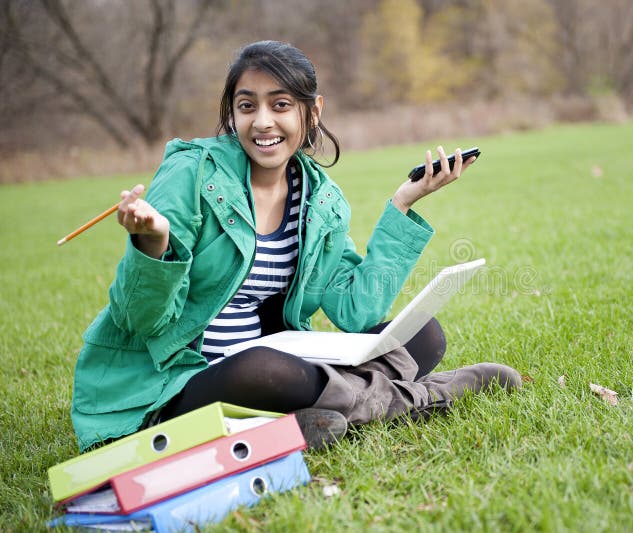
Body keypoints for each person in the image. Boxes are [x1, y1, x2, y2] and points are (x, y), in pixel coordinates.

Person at [71, 40, 521, 452]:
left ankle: (308, 419)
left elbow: (354, 311)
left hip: (280, 364)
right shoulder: (190, 174)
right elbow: (141, 321)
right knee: (264, 368)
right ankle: (420, 398)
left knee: (423, 334)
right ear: (232, 114)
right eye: (247, 106)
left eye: (280, 104)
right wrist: (153, 244)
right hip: (178, 380)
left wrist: (403, 204)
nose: (263, 122)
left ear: (313, 111)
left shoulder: (319, 198)